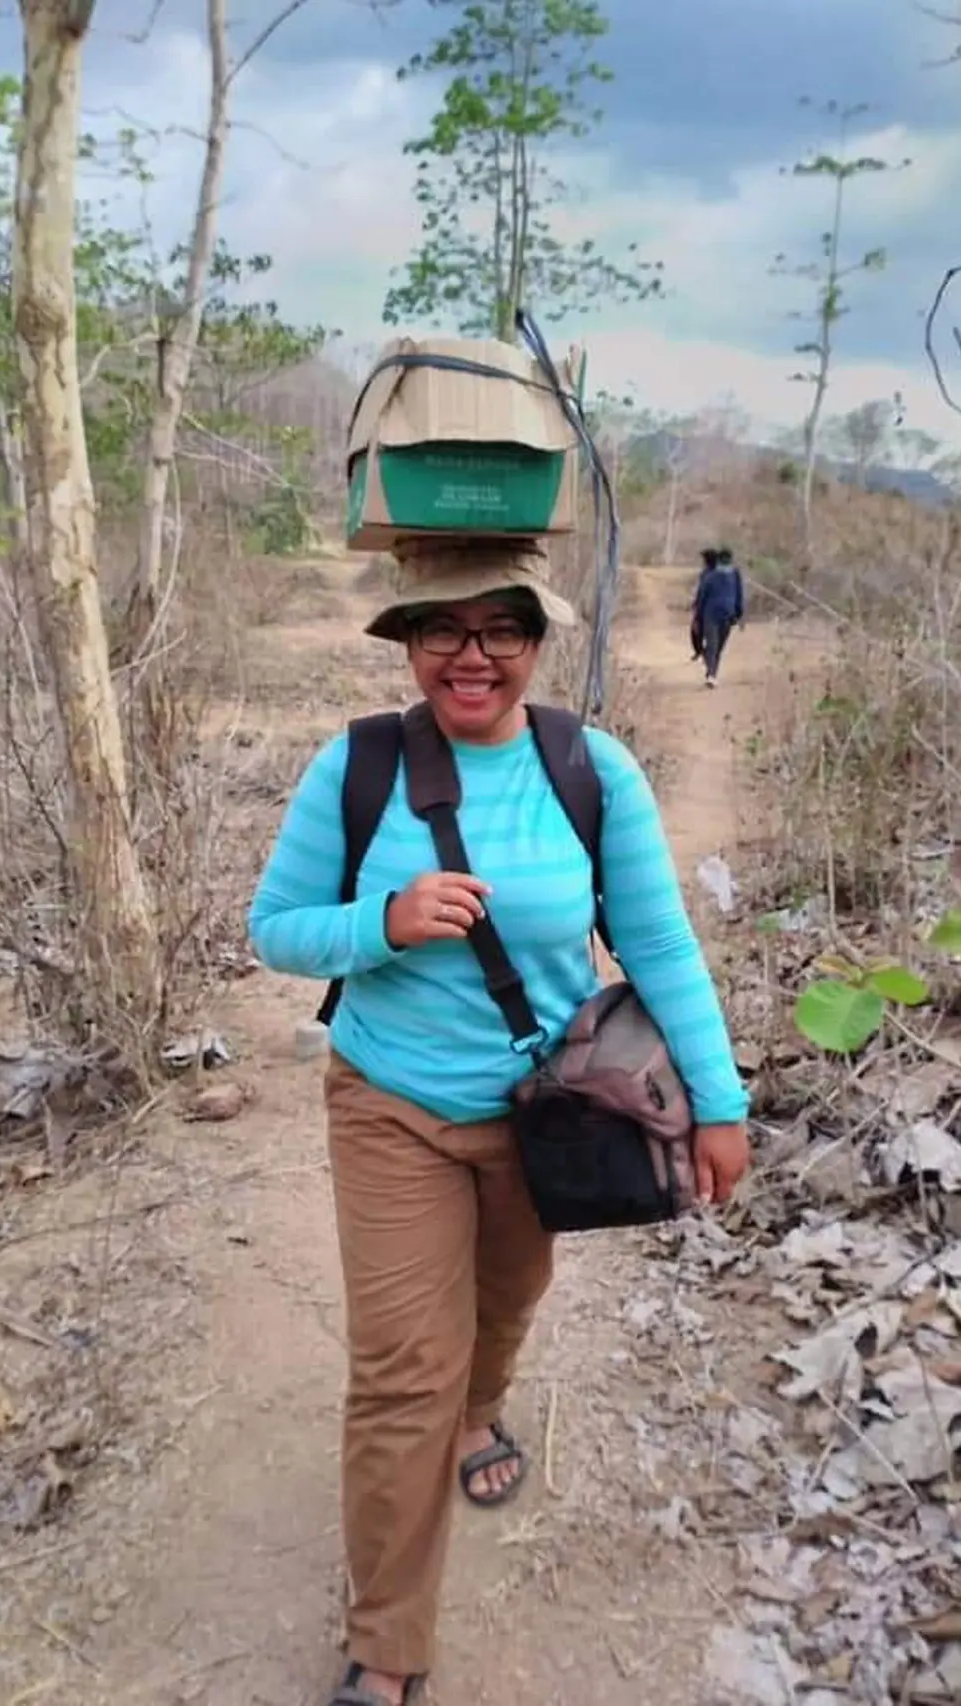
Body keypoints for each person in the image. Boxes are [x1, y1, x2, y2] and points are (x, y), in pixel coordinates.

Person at [247, 553, 751, 1706]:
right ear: (407, 641)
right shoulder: (359, 765)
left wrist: (718, 1103)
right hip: (390, 1108)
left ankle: (483, 1407)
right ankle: (388, 1643)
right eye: (442, 628)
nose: (470, 653)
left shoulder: (587, 768)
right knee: (399, 1374)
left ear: (536, 642)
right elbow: (272, 929)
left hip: (544, 1114)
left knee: (506, 1297)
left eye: (499, 628)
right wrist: (384, 919)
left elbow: (657, 943)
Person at [692, 544, 746, 687]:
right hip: (711, 616)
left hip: (726, 616)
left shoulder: (734, 574)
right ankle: (711, 674)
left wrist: (739, 614)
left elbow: (739, 595)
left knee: (718, 646)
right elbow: (702, 597)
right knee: (713, 645)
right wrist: (698, 616)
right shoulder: (711, 575)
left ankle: (711, 670)